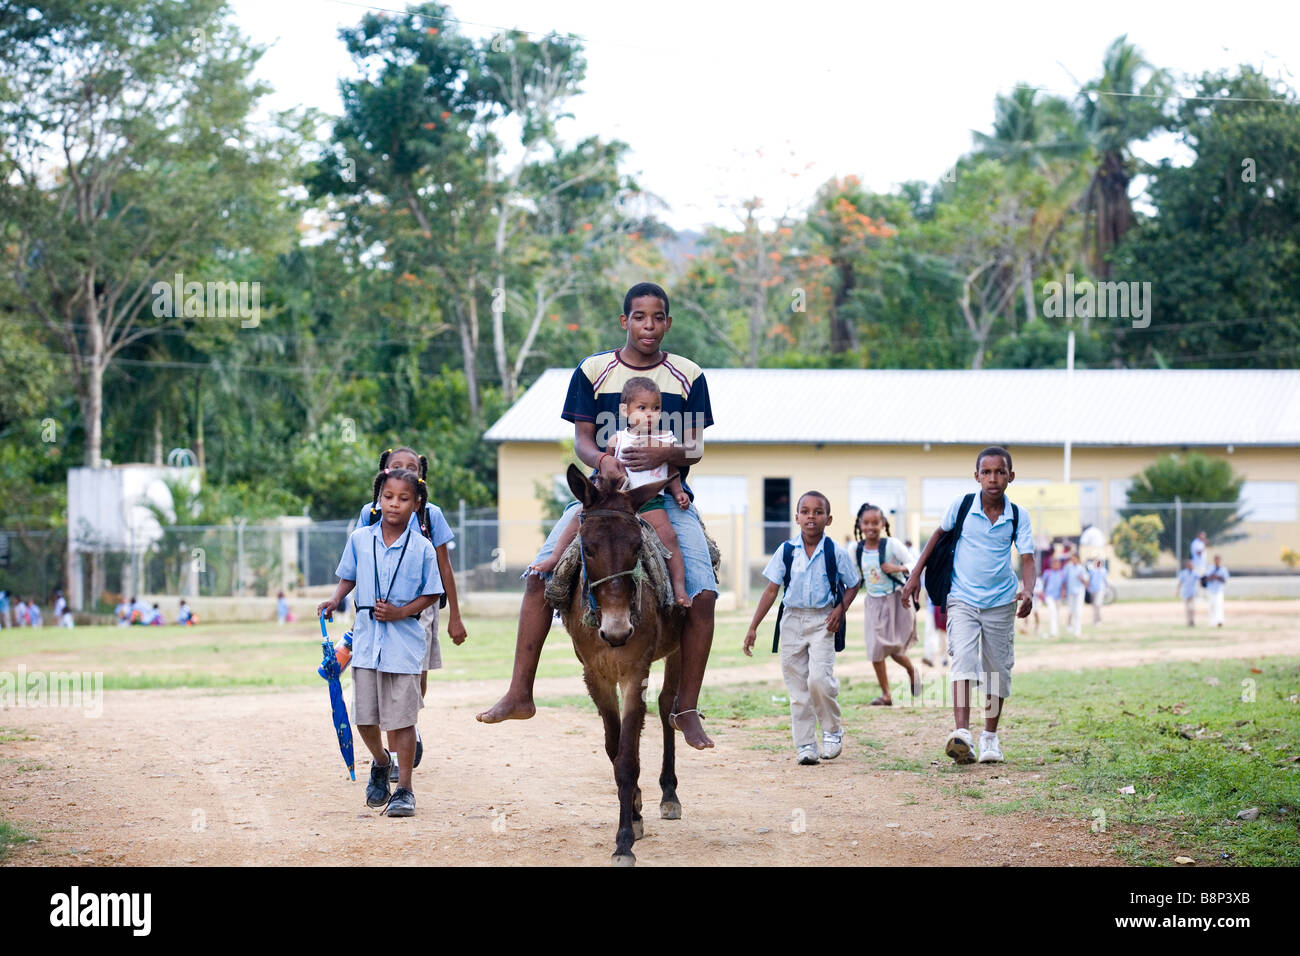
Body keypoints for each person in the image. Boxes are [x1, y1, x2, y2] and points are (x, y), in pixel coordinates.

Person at [477, 282, 719, 749]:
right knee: (538, 575)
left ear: (668, 322)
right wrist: (602, 461)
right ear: (624, 321)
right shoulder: (592, 371)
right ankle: (520, 691)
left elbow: (695, 447)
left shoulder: (689, 375)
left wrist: (670, 449)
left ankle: (685, 706)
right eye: (639, 317)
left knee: (704, 592)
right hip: (601, 499)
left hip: (664, 498)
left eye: (658, 317)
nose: (649, 326)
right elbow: (582, 441)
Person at [318, 466, 443, 817]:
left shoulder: (422, 549)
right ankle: (380, 761)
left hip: (403, 643)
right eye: (388, 497)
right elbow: (349, 576)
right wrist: (333, 600)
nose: (394, 504)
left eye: (404, 499)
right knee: (365, 716)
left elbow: (432, 592)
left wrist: (402, 613)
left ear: (417, 504)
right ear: (378, 498)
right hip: (367, 639)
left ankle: (404, 789)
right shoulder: (360, 539)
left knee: (402, 718)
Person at [902, 446, 1035, 765]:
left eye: (1000, 472)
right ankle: (962, 733)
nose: (993, 478)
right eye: (986, 472)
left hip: (1001, 601)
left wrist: (1028, 589)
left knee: (996, 669)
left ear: (1010, 477)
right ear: (976, 476)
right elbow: (936, 537)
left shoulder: (1017, 515)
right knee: (961, 657)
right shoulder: (962, 506)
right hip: (961, 597)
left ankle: (990, 737)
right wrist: (914, 576)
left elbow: (1028, 558)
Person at [357, 446, 469, 781]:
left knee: (414, 671)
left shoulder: (430, 514)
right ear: (383, 477)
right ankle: (389, 749)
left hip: (421, 605)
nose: (404, 470)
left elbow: (444, 567)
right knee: (379, 674)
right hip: (378, 609)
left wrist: (456, 616)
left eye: (411, 467)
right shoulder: (370, 514)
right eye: (396, 466)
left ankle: (407, 725)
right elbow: (358, 559)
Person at [529, 377, 693, 606]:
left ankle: (679, 587)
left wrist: (677, 493)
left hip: (651, 502)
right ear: (625, 410)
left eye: (656, 408)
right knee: (579, 518)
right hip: (618, 501)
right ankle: (555, 558)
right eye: (642, 408)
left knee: (670, 537)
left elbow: (672, 470)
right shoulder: (618, 439)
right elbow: (606, 468)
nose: (649, 414)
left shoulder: (666, 440)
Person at [743, 491, 860, 764]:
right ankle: (806, 745)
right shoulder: (786, 551)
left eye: (818, 512)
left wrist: (840, 610)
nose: (811, 516)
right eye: (805, 511)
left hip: (824, 621)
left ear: (828, 519)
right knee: (798, 690)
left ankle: (832, 732)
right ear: (796, 517)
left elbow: (853, 584)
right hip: (792, 621)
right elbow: (772, 590)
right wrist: (753, 627)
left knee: (819, 680)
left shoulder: (835, 552)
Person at [852, 502, 921, 706]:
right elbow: (853, 577)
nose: (871, 527)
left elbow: (915, 565)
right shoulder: (856, 550)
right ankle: (886, 694)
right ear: (860, 524)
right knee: (875, 649)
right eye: (866, 523)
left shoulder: (892, 545)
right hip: (873, 602)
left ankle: (911, 670)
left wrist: (896, 568)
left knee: (895, 650)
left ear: (883, 524)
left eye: (875, 522)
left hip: (896, 600)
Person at [1040, 557, 1065, 638]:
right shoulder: (1047, 573)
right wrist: (1043, 593)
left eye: (1057, 563)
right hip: (1049, 595)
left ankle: (1055, 631)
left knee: (1056, 614)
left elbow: (1063, 586)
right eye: (1054, 563)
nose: (1056, 565)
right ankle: (1053, 632)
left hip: (1058, 597)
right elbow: (1044, 584)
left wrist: (1062, 596)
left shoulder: (1062, 573)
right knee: (1052, 612)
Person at [1065, 554, 1088, 638]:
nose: (1073, 561)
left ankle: (1077, 630)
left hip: (1079, 592)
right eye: (1072, 559)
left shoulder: (1081, 568)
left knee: (1078, 611)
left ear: (1078, 559)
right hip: (1070, 592)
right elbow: (1064, 579)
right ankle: (1070, 626)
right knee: (1071, 610)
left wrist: (1081, 578)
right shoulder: (1068, 568)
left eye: (1074, 559)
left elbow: (1086, 583)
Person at [1205, 555, 1230, 627]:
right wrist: (1212, 576)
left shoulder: (1223, 569)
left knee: (1219, 605)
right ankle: (1212, 622)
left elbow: (1225, 580)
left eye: (1218, 560)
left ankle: (1220, 621)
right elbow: (1206, 578)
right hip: (1211, 590)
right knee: (1211, 606)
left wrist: (1219, 577)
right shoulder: (1210, 568)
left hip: (1219, 590)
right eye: (1216, 560)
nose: (1217, 561)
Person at [1177, 559, 1198, 626]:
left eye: (1191, 565)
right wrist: (1178, 591)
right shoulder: (1183, 573)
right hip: (1186, 593)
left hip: (1193, 592)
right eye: (1189, 565)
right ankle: (1188, 621)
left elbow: (1200, 581)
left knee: (1192, 607)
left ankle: (1192, 620)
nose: (1190, 566)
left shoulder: (1195, 573)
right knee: (1187, 608)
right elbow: (1180, 582)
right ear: (1187, 566)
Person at [1087, 559, 1108, 625]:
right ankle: (1096, 620)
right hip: (1092, 590)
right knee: (1094, 606)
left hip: (1100, 590)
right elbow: (1089, 580)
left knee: (1098, 604)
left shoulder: (1103, 571)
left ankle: (1098, 620)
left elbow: (1105, 580)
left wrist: (1107, 589)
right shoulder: (1092, 571)